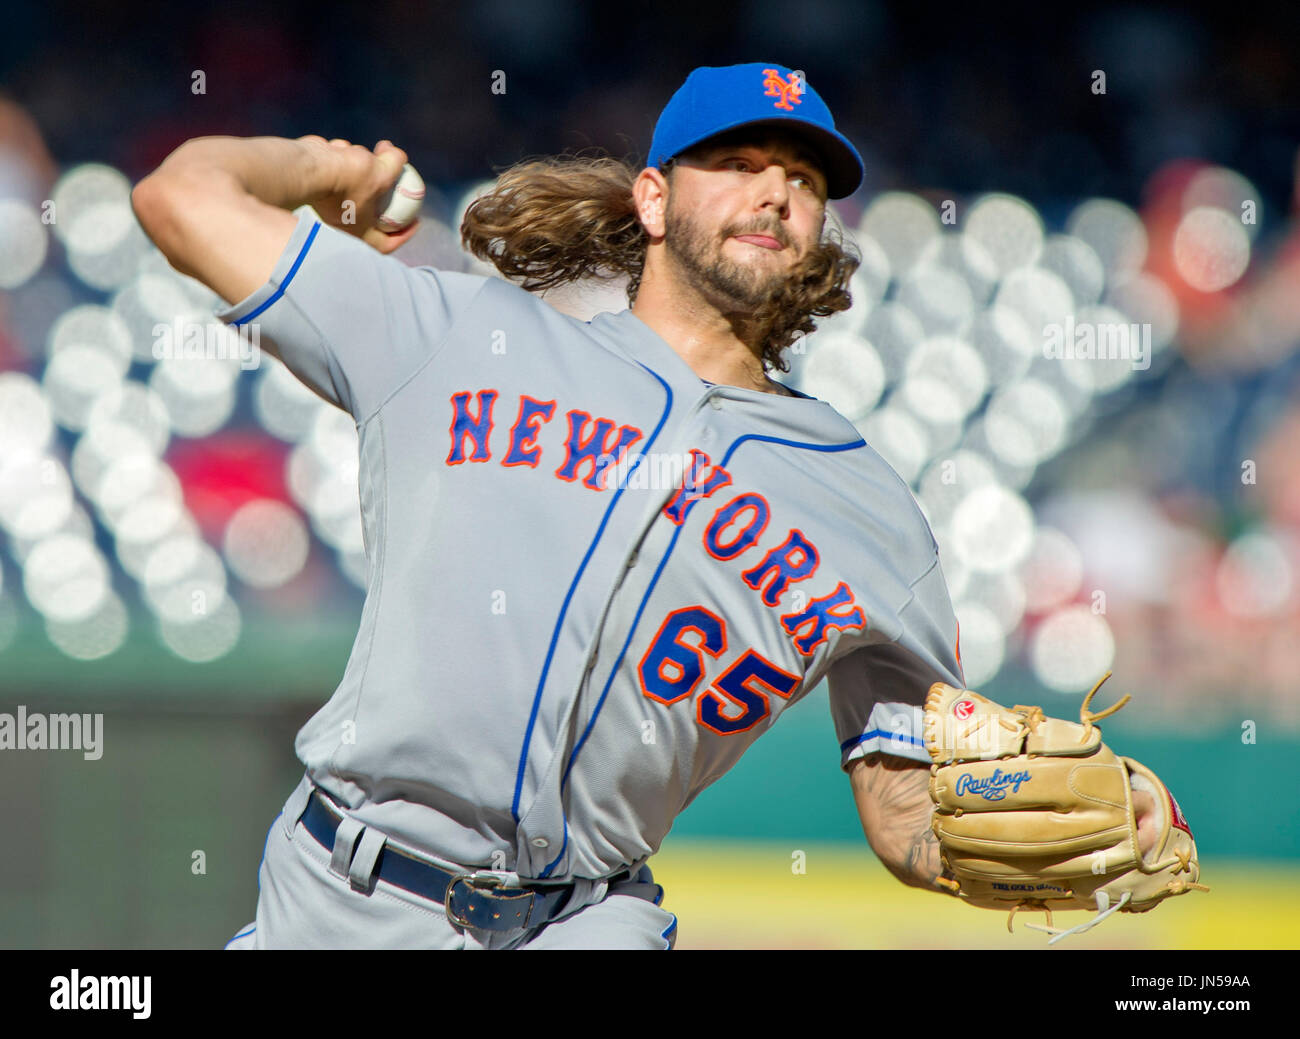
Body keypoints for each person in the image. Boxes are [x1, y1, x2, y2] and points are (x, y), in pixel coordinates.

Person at [132, 61, 1155, 950]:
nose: (775, 192)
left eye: (802, 179)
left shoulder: (872, 514)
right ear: (655, 201)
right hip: (350, 893)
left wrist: (1073, 844)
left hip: (589, 917)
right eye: (739, 163)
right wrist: (331, 170)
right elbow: (182, 196)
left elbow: (899, 808)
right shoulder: (456, 336)